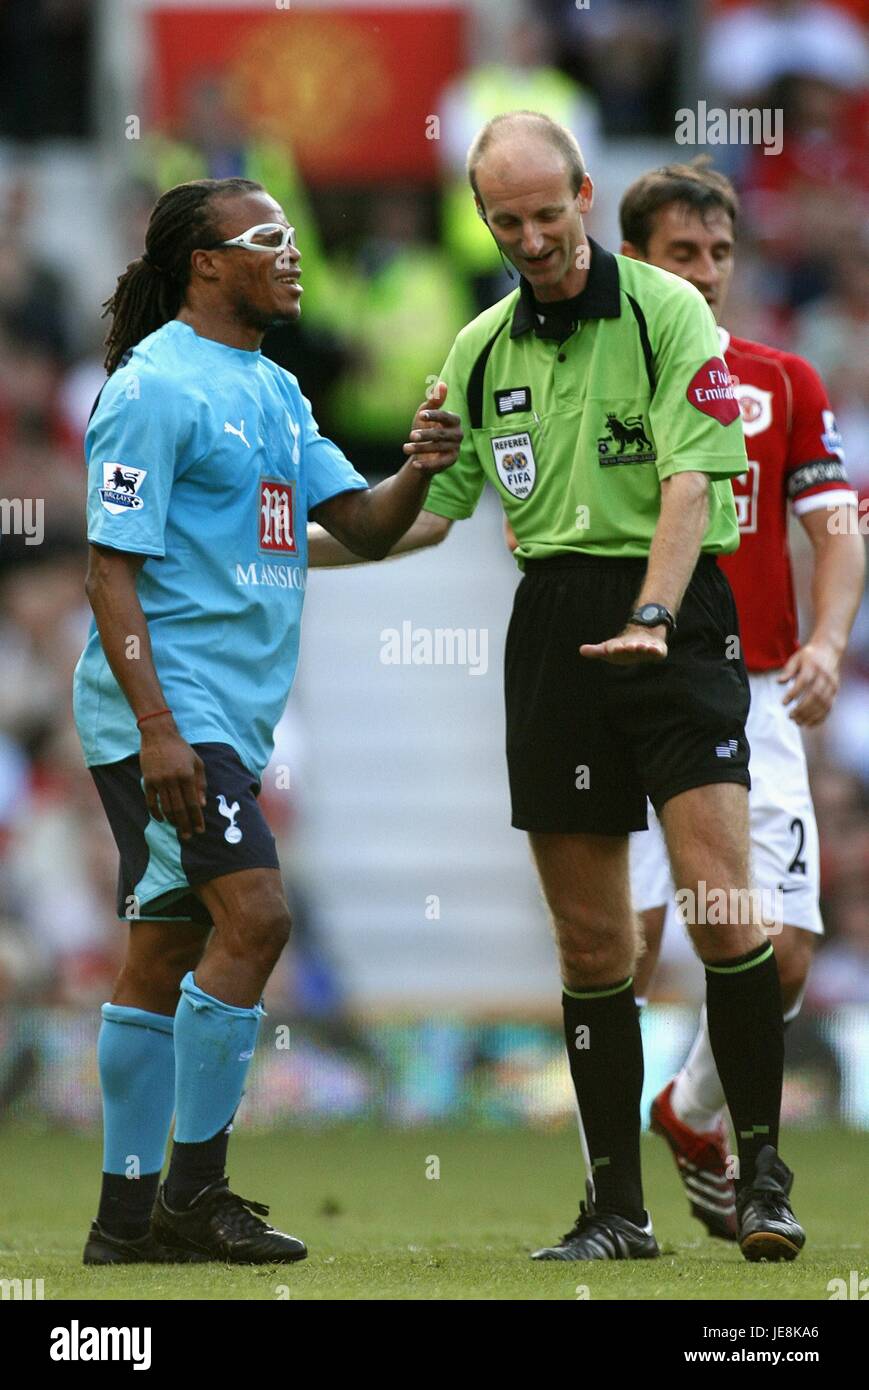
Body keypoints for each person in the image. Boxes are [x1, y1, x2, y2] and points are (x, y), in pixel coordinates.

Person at [308, 111, 805, 1262]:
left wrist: (650, 614)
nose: (530, 236)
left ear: (583, 193)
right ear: (479, 218)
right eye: (506, 219)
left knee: (720, 904)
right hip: (553, 629)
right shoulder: (479, 348)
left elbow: (689, 482)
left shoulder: (668, 310)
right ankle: (614, 1212)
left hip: (674, 619)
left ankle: (763, 1177)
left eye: (546, 212)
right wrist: (279, 553)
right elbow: (425, 523)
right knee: (589, 948)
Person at [72, 176, 461, 1265]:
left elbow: (367, 528)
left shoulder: (278, 390)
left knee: (168, 947)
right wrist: (156, 725)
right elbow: (108, 569)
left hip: (225, 714)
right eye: (269, 239)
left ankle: (122, 1221)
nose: (294, 253)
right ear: (206, 263)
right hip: (165, 707)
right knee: (256, 918)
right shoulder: (152, 387)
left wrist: (421, 466)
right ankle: (196, 1193)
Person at [618, 160, 864, 1239]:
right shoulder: (591, 378)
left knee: (784, 955)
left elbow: (834, 524)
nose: (708, 274)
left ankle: (687, 1108)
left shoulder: (782, 380)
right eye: (683, 254)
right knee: (620, 948)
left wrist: (824, 636)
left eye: (719, 254)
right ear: (635, 261)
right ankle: (605, 1201)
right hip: (619, 687)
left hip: (754, 691)